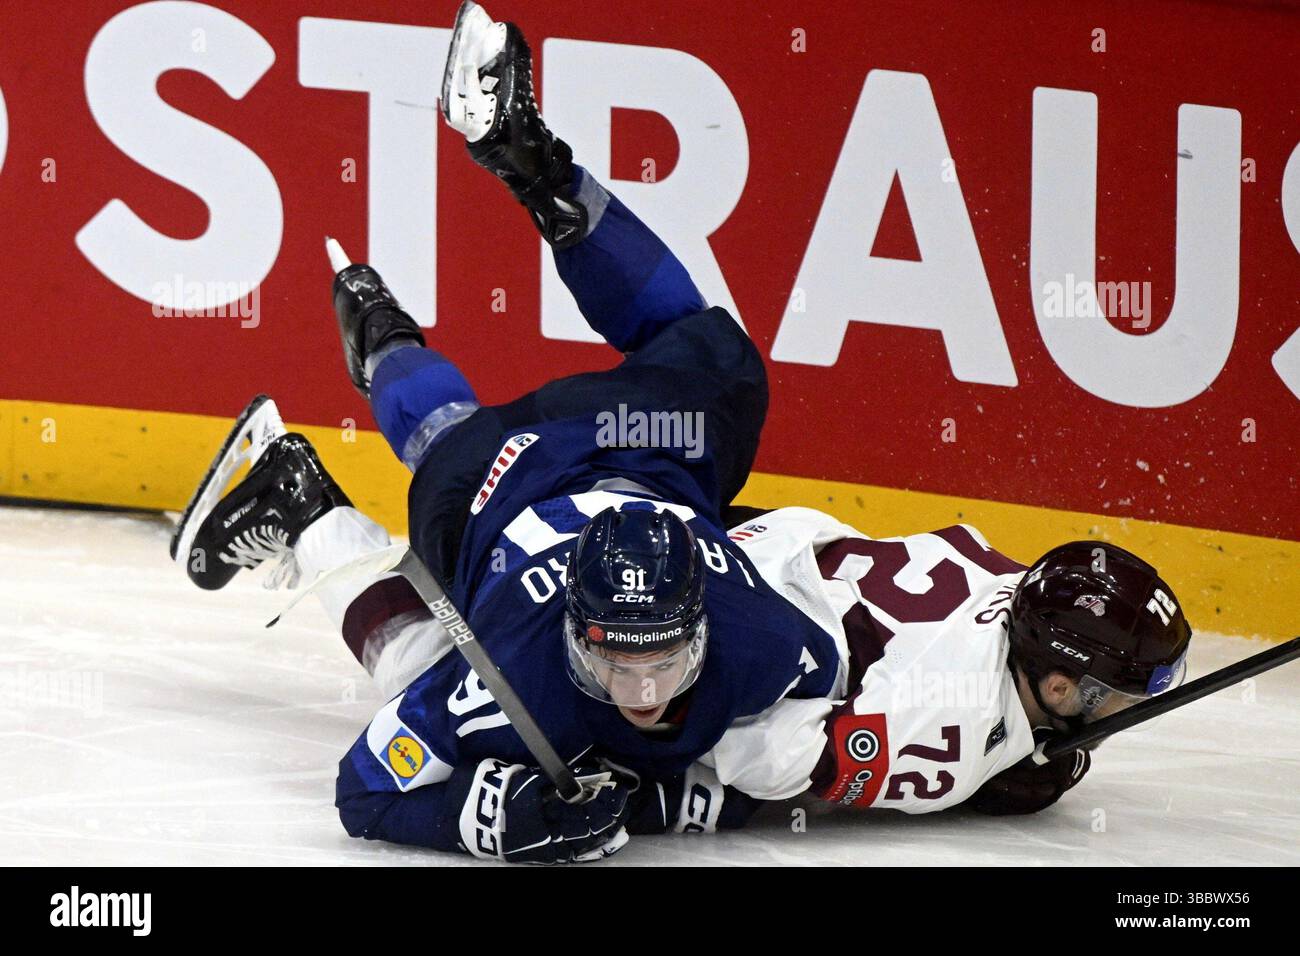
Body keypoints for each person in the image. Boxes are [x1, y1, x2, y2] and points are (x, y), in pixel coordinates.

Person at [169, 0, 843, 864]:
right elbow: (363, 790)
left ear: (701, 627)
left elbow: (818, 673)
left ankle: (451, 266)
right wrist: (497, 825)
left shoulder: (758, 638)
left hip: (637, 441)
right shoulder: (528, 676)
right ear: (570, 634)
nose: (639, 691)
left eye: (658, 664)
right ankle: (399, 323)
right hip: (513, 469)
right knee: (454, 444)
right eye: (616, 664)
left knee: (716, 366)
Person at [628, 506, 1193, 833]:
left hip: (755, 535)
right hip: (715, 624)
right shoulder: (954, 731)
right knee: (717, 792)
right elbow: (776, 757)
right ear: (1060, 686)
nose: (1133, 711)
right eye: (1124, 695)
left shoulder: (1031, 594)